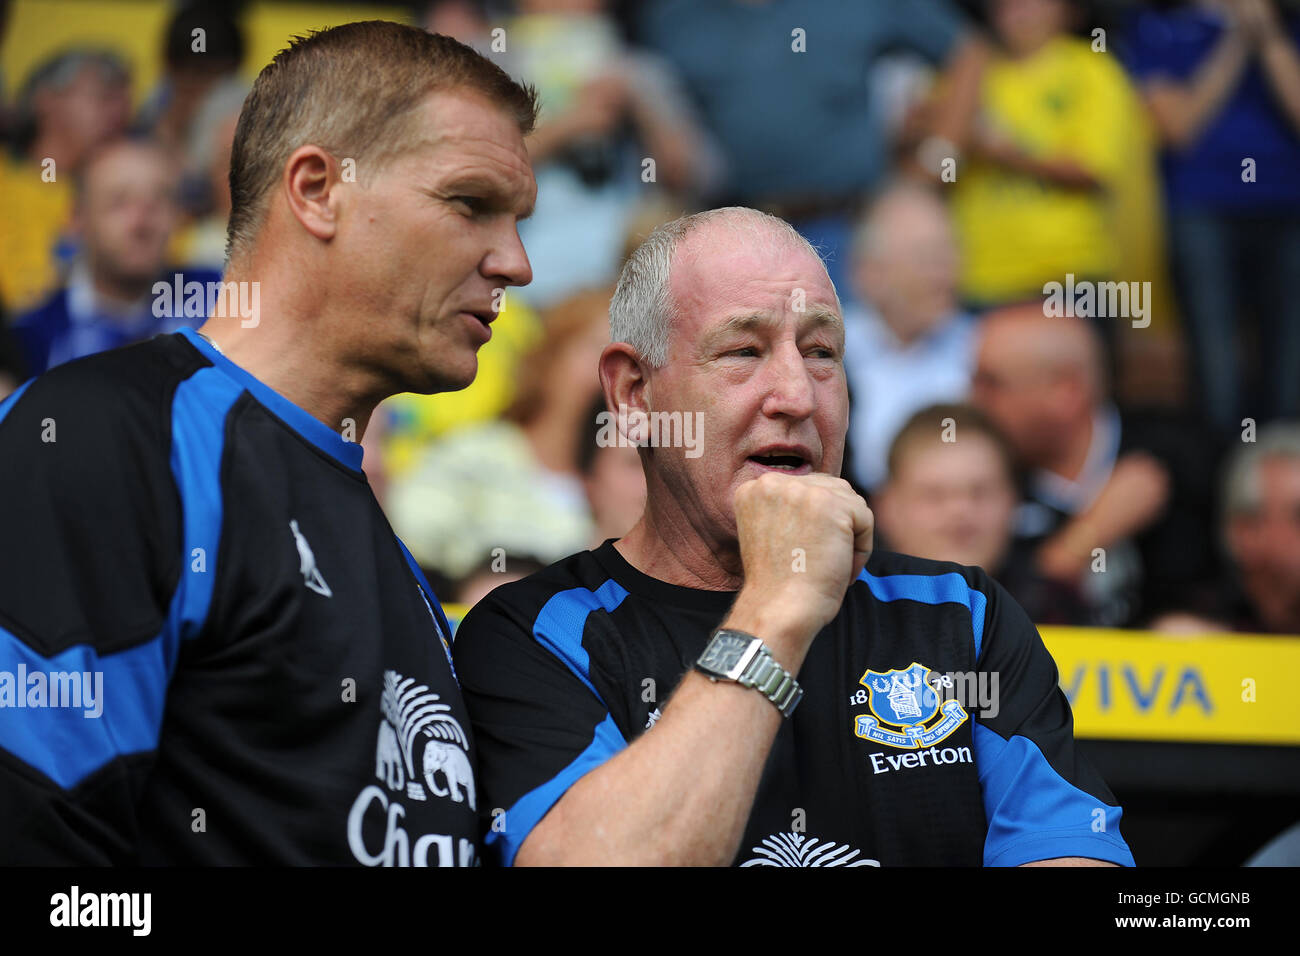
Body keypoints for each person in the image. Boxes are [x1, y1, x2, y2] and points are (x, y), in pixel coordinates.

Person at [0, 21, 537, 865]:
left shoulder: (386, 552)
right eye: (470, 204)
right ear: (318, 189)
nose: (516, 262)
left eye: (519, 219)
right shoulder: (109, 440)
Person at [452, 207, 1134, 867]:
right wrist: (777, 607)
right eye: (742, 351)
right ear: (634, 395)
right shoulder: (536, 634)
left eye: (821, 352)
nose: (797, 396)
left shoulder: (962, 614)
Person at [971, 303, 1223, 626]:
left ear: (1067, 391)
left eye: (991, 383)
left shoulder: (1184, 455)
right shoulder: (983, 485)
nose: (973, 398)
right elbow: (993, 622)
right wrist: (1085, 538)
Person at [12, 138, 218, 375]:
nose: (141, 222)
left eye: (159, 201)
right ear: (77, 218)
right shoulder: (34, 337)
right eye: (118, 203)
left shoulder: (217, 299)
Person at [875, 403, 1090, 625]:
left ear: (1013, 500)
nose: (960, 510)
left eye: (981, 492)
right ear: (886, 507)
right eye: (934, 495)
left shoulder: (1058, 608)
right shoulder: (849, 612)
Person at [841, 181, 977, 492]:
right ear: (870, 273)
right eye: (927, 259)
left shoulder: (984, 347)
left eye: (949, 255)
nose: (946, 275)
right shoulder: (830, 349)